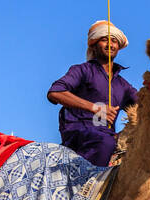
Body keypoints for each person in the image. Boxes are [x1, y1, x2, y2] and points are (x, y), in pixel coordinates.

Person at [46, 21, 139, 167]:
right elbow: (55, 92)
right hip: (79, 134)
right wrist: (95, 108)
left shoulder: (123, 84)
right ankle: (88, 185)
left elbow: (147, 103)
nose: (110, 44)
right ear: (94, 45)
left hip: (107, 137)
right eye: (104, 39)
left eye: (114, 40)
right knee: (105, 142)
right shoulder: (82, 70)